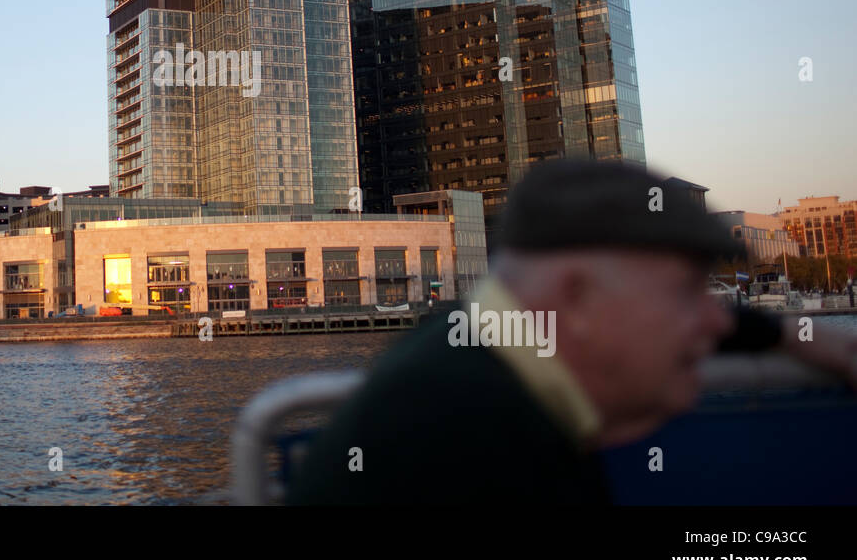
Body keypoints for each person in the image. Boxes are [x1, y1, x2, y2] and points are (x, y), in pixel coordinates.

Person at [286, 159, 857, 505]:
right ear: (576, 297)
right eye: (686, 291)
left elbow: (711, 320)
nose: (714, 316)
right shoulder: (465, 442)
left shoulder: (472, 344)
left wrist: (805, 340)